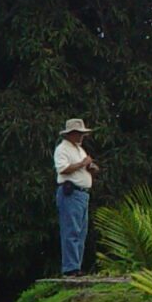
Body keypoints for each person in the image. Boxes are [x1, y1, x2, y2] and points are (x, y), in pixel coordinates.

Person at [53, 117, 100, 276]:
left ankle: (76, 266)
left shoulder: (79, 150)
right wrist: (82, 164)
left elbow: (84, 167)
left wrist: (90, 168)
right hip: (71, 193)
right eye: (78, 133)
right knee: (71, 230)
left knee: (81, 232)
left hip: (82, 193)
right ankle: (70, 268)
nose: (81, 136)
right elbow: (62, 169)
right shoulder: (62, 149)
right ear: (71, 133)